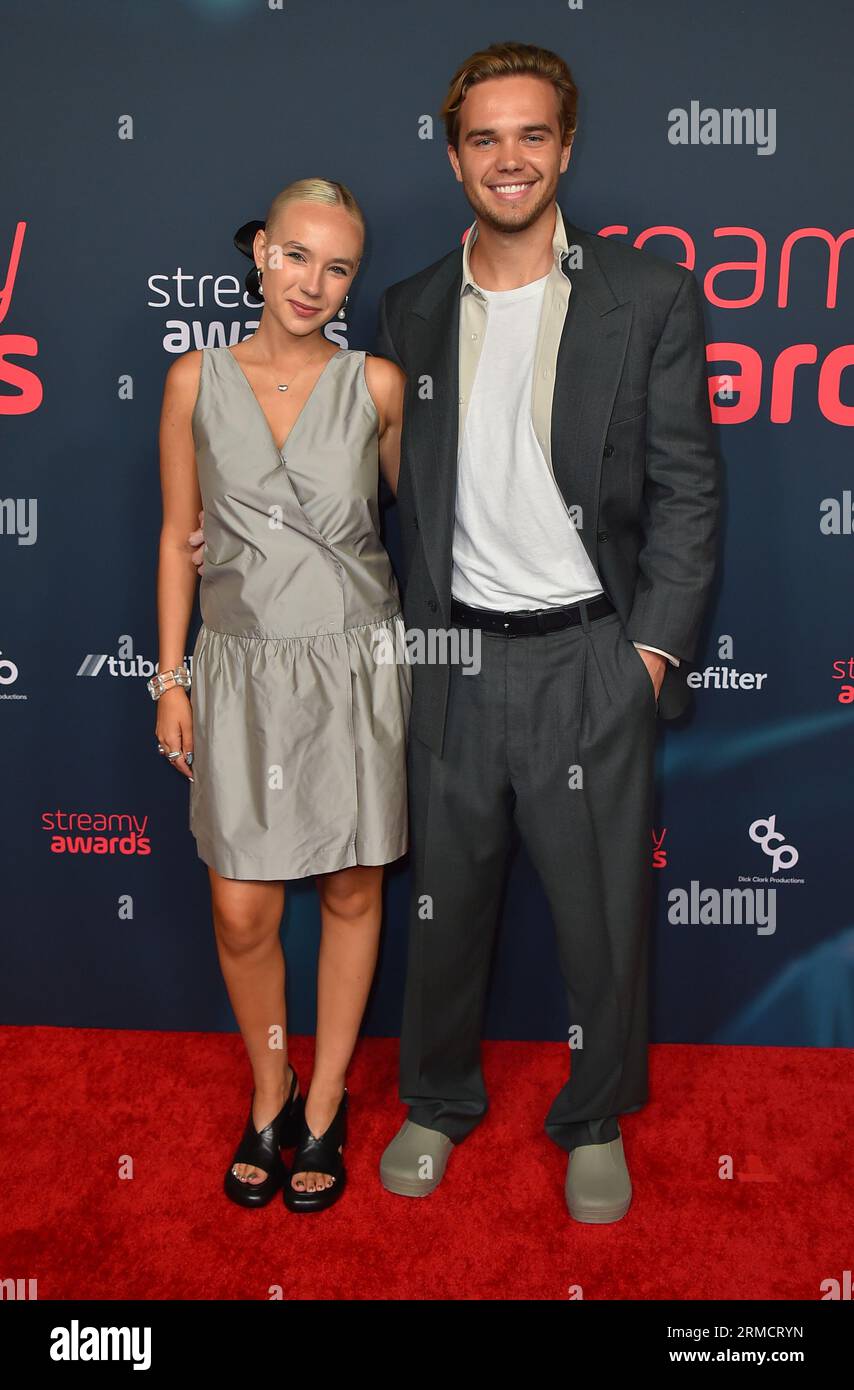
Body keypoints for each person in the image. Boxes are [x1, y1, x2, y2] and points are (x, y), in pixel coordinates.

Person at [372, 42, 720, 1222]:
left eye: (530, 135)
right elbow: (376, 490)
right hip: (452, 657)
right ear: (454, 152)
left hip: (589, 653)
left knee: (602, 916)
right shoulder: (408, 306)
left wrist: (648, 655)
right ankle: (437, 1098)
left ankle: (592, 1115)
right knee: (442, 907)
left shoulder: (648, 297)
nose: (507, 158)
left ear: (564, 149)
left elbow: (686, 491)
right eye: (483, 137)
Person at [154, 178, 410, 1213]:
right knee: (240, 906)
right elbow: (180, 535)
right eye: (296, 255)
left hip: (351, 668)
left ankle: (328, 1101)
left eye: (337, 265)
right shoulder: (192, 380)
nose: (314, 282)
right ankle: (272, 1083)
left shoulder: (378, 386)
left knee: (352, 889)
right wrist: (169, 674)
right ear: (259, 251)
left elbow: (408, 518)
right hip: (240, 671)